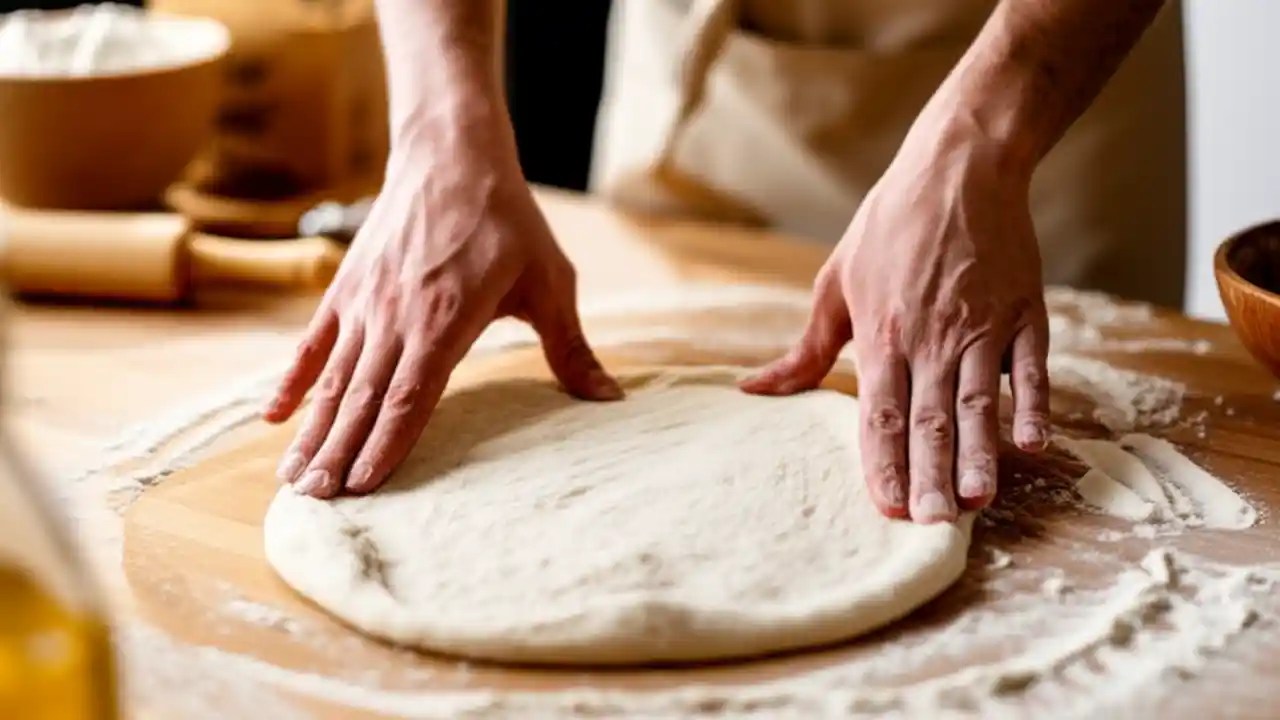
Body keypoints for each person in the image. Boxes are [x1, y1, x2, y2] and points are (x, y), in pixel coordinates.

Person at [263, 0, 1181, 524]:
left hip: (1023, 68)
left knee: (1047, 445)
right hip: (705, 56)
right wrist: (438, 125)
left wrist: (984, 139)